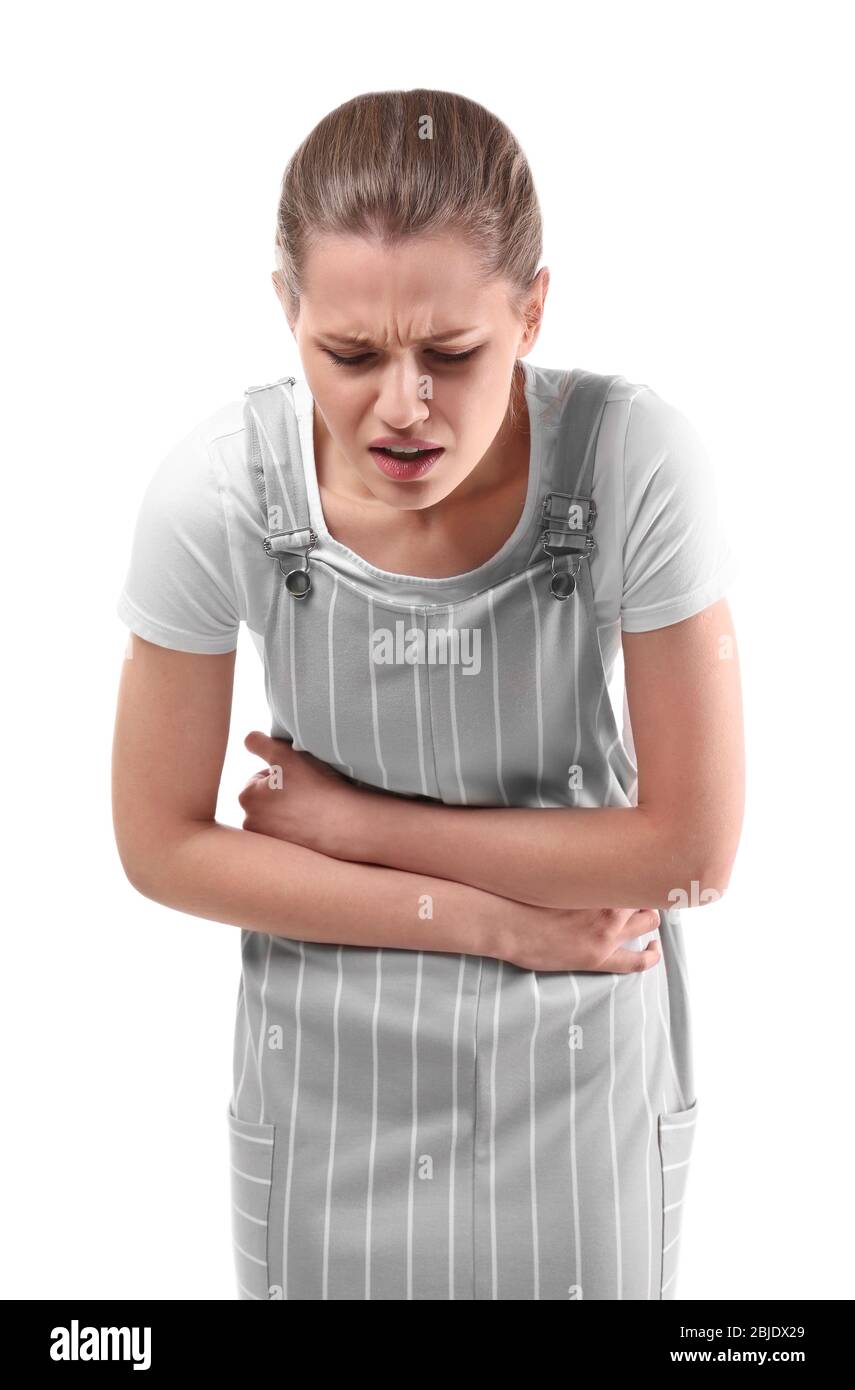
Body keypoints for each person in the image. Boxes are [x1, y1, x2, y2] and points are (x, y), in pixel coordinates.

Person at [112, 88, 745, 1301]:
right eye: (348, 355)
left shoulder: (635, 460)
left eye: (452, 354)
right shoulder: (217, 490)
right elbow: (156, 845)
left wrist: (359, 824)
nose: (400, 405)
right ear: (287, 311)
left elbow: (693, 856)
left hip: (580, 1056)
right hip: (330, 1072)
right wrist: (496, 924)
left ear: (533, 310)